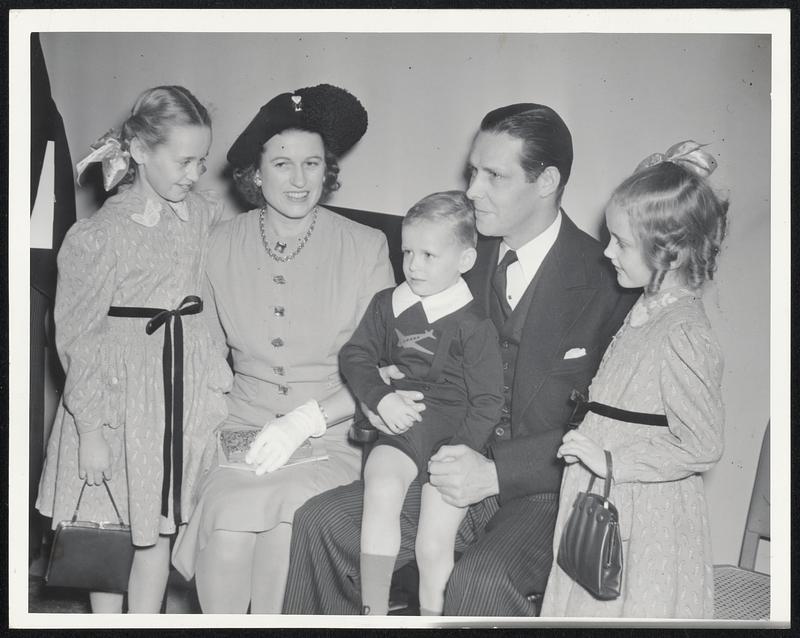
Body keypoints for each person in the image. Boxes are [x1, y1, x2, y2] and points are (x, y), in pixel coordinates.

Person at [283, 103, 638, 616]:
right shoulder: (448, 258)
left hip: (541, 491)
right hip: (436, 460)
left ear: (547, 181)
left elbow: (613, 432)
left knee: (482, 582)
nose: (472, 190)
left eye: (494, 175)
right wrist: (358, 401)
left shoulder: (610, 282)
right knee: (321, 523)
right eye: (473, 172)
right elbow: (386, 365)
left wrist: (495, 474)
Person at [170, 84, 396, 614]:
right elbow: (199, 355)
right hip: (241, 429)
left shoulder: (366, 248)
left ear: (327, 169)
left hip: (333, 434)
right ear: (255, 172)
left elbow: (385, 364)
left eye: (312, 163)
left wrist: (305, 421)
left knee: (287, 522)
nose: (298, 180)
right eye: (282, 163)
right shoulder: (217, 244)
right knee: (226, 522)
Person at [36, 86, 232, 613]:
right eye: (184, 161)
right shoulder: (98, 234)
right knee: (114, 528)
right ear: (141, 151)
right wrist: (92, 430)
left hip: (179, 398)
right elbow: (76, 338)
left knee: (159, 529)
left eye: (201, 161)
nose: (194, 174)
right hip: (122, 403)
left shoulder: (202, 216)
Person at [541, 141, 727, 618]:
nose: (607, 252)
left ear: (670, 251)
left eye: (621, 242)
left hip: (642, 512)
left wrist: (609, 458)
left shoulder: (683, 330)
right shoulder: (645, 306)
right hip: (603, 495)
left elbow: (702, 445)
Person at [339, 191, 504, 615]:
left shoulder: (473, 323)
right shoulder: (387, 304)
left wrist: (462, 448)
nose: (413, 265)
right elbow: (355, 356)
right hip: (400, 427)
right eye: (408, 251)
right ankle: (373, 615)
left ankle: (433, 620)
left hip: (451, 439)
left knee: (433, 545)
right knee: (382, 486)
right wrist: (381, 398)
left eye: (429, 255)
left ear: (465, 260)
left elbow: (488, 400)